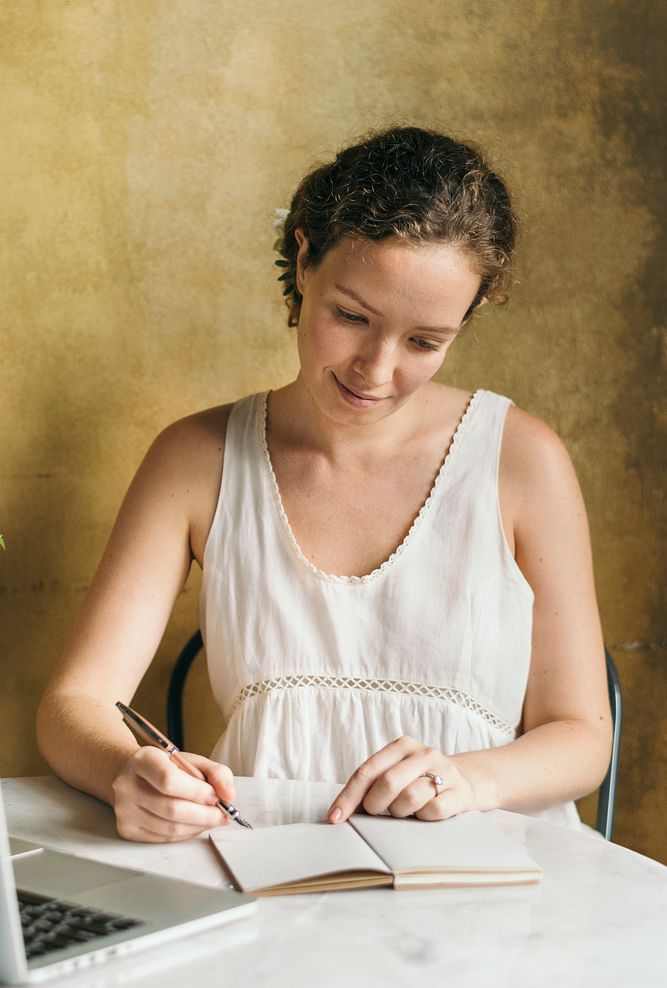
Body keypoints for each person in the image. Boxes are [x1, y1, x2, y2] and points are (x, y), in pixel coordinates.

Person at [36, 126, 612, 843]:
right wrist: (129, 771)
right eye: (351, 317)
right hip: (270, 866)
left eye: (423, 342)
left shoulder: (522, 459)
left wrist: (471, 779)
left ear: (465, 320)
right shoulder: (194, 458)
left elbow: (582, 736)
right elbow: (75, 705)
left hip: (484, 878)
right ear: (304, 260)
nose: (374, 368)